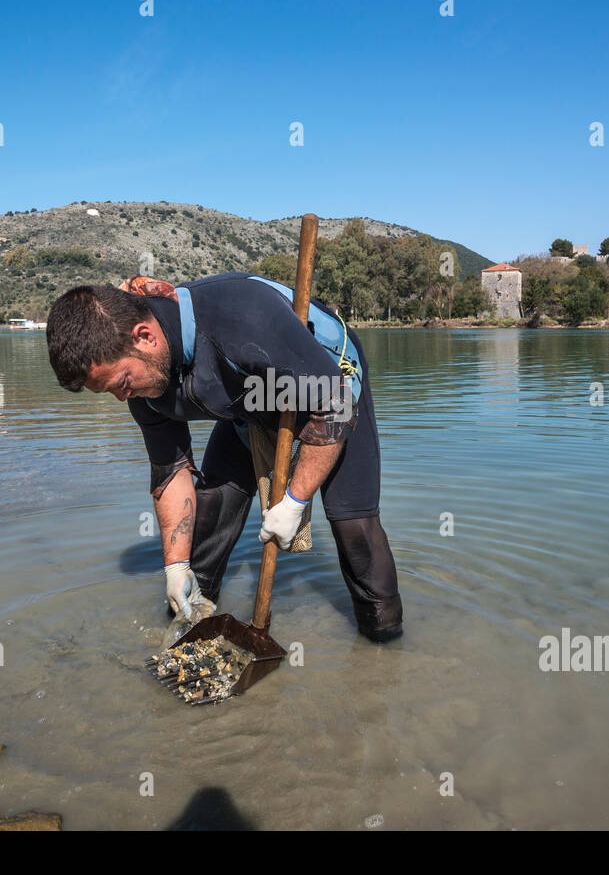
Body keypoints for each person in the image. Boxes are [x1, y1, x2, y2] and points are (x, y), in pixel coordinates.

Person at [46, 271, 403, 642]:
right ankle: (192, 627)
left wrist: (294, 502)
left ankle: (383, 643)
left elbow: (335, 404)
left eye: (121, 383)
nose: (123, 398)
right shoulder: (143, 383)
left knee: (353, 525)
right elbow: (171, 473)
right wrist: (175, 566)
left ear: (144, 337)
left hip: (331, 389)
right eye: (111, 391)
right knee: (213, 506)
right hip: (249, 402)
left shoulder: (243, 317)